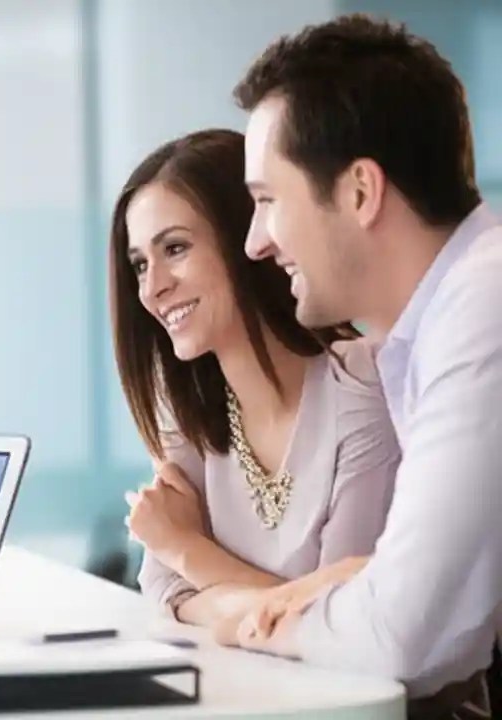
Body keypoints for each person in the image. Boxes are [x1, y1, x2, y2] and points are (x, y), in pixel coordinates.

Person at [225, 13, 502, 718]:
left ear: (359, 192)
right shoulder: (432, 324)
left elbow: (402, 638)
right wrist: (365, 579)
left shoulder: (483, 309)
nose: (256, 242)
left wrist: (264, 626)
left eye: (266, 201)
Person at [111, 129, 400, 629]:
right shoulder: (190, 413)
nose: (153, 288)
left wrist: (184, 547)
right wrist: (274, 605)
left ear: (250, 238)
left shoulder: (361, 386)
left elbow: (347, 626)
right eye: (139, 265)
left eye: (175, 248)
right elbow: (164, 591)